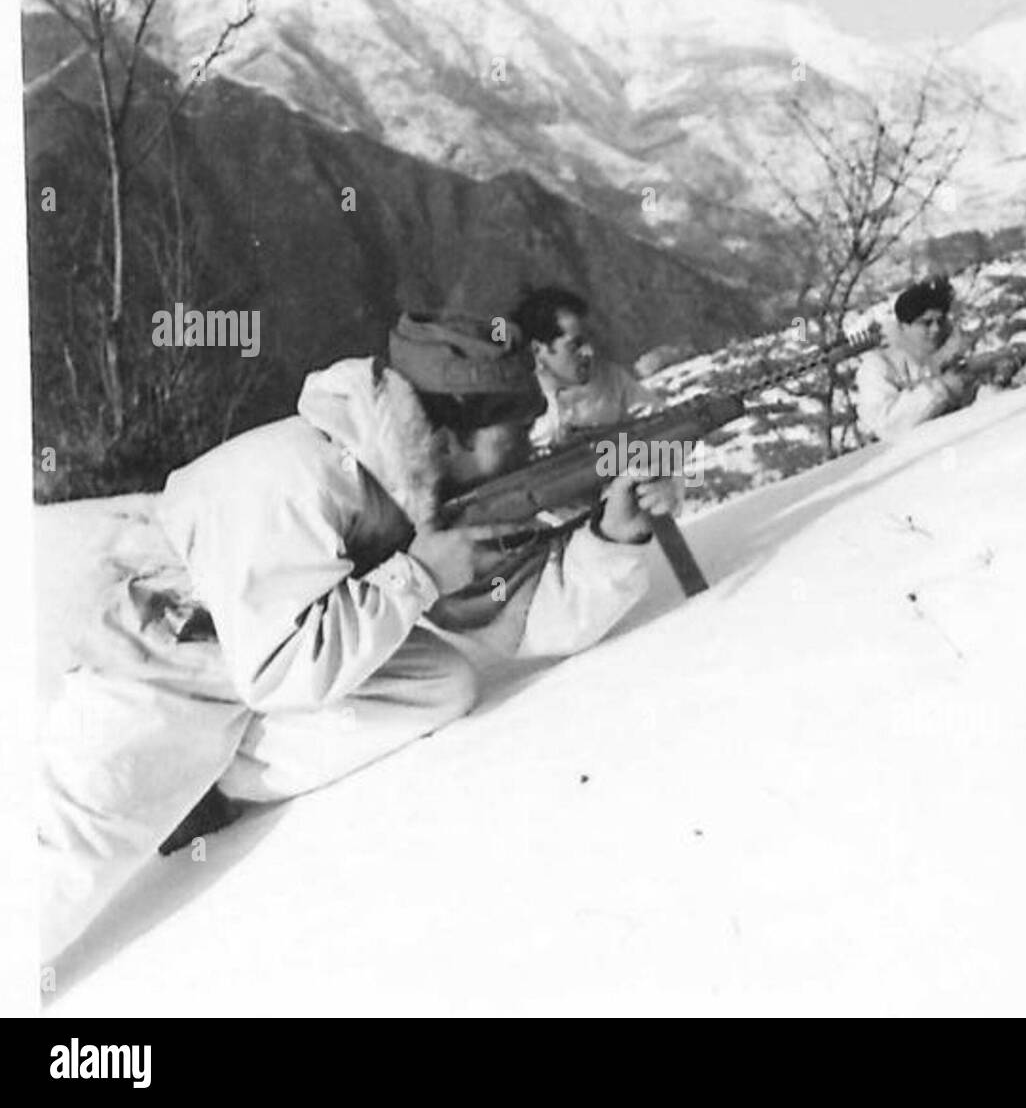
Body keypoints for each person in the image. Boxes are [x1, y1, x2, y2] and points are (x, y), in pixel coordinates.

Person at [38, 313, 677, 966]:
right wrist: (420, 575)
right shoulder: (295, 474)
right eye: (513, 430)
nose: (531, 442)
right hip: (123, 620)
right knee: (62, 864)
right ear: (453, 433)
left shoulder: (421, 490)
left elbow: (514, 615)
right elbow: (280, 669)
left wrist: (615, 537)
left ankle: (209, 785)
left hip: (229, 651)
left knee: (439, 685)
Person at [512, 287, 663, 448]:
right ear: (537, 350)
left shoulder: (612, 381)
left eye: (588, 341)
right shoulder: (514, 410)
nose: (589, 352)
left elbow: (663, 424)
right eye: (574, 346)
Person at [852, 276, 979, 443]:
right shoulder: (879, 366)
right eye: (926, 323)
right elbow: (887, 425)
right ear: (904, 326)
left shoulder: (953, 354)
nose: (936, 329)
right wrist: (941, 390)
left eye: (940, 321)